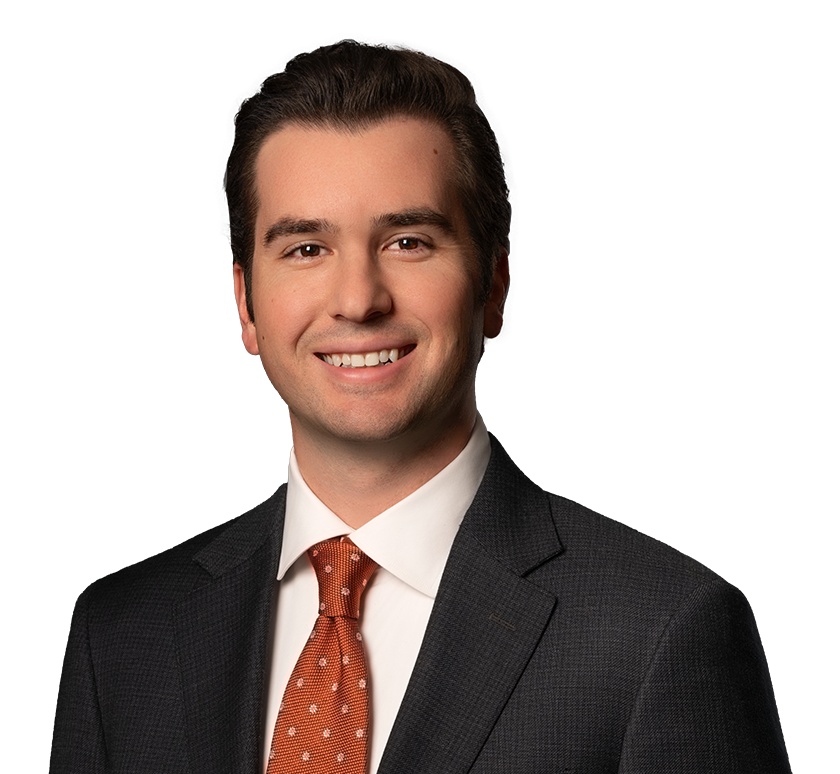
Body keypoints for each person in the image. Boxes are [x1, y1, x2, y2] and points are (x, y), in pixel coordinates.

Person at [51, 39, 790, 773]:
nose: (358, 300)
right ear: (244, 304)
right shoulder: (121, 638)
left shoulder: (661, 633)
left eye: (408, 242)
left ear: (493, 287)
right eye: (306, 249)